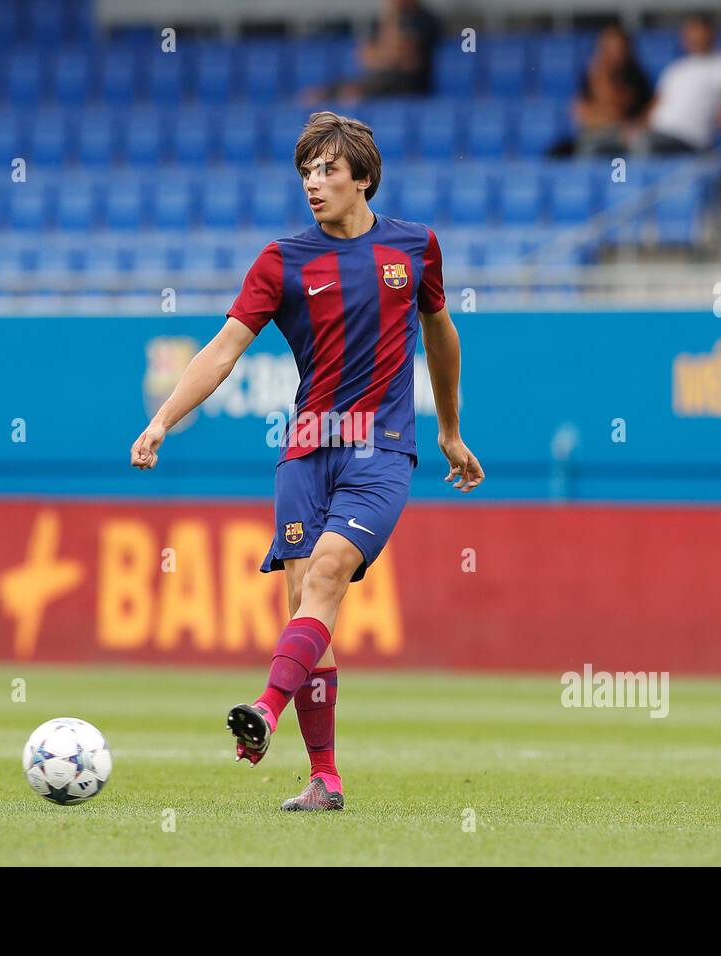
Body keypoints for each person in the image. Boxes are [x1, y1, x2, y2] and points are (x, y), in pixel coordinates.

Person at [129, 111, 484, 811]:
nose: (313, 185)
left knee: (326, 575)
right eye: (306, 172)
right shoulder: (281, 260)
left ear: (363, 178)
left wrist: (449, 429)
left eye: (327, 171)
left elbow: (440, 335)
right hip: (304, 454)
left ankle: (263, 710)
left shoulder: (415, 249)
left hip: (380, 449)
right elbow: (225, 347)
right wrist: (163, 418)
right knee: (305, 612)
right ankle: (325, 779)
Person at [635, 14, 721, 155]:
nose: (694, 37)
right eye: (690, 32)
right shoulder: (675, 68)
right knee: (607, 144)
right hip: (657, 133)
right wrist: (635, 128)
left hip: (689, 139)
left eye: (699, 32)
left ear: (711, 34)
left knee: (641, 146)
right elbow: (655, 104)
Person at [301, 0, 440, 104]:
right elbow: (366, 55)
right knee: (345, 83)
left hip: (410, 83)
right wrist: (387, 54)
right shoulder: (388, 18)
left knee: (357, 90)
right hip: (384, 76)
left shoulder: (424, 20)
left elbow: (407, 59)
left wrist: (384, 54)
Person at [553, 24, 652, 157]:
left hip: (625, 137)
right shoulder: (590, 75)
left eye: (617, 46)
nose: (614, 51)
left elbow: (617, 111)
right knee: (557, 152)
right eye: (608, 46)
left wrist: (602, 79)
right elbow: (579, 111)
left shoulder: (636, 77)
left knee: (592, 147)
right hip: (596, 133)